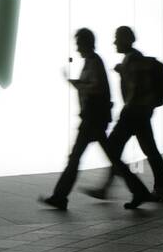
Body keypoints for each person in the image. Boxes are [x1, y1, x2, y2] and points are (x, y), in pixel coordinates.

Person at [40, 28, 151, 210]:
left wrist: (76, 83)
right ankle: (139, 191)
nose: (77, 48)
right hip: (94, 119)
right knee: (108, 157)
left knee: (77, 158)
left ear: (85, 44)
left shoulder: (93, 62)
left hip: (92, 119)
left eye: (78, 44)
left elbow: (96, 88)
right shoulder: (92, 62)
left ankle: (60, 196)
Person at [86, 26, 163, 205]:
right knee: (148, 150)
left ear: (126, 40)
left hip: (132, 114)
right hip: (141, 114)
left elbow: (134, 90)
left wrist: (126, 111)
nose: (114, 42)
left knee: (112, 149)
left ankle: (132, 190)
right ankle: (160, 189)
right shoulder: (133, 60)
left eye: (117, 38)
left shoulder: (134, 62)